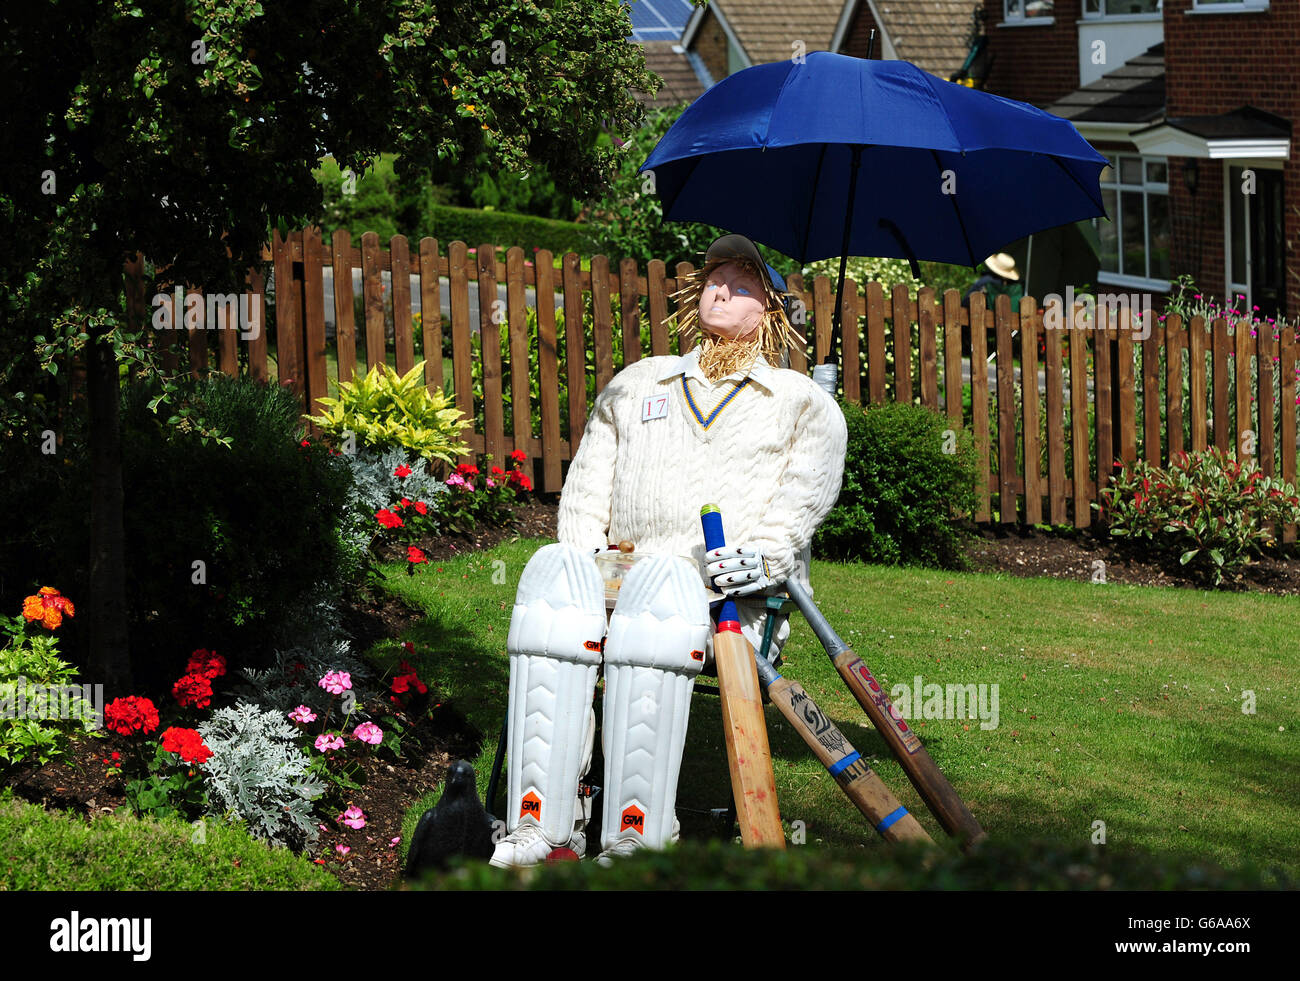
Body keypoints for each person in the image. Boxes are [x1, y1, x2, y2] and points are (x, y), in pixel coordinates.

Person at [489, 233, 847, 868]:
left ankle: (636, 837)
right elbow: (586, 491)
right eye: (712, 277)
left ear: (769, 308)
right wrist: (580, 570)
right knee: (551, 592)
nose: (718, 289)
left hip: (721, 599)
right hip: (612, 580)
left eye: (740, 284)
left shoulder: (802, 404)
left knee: (656, 612)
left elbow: (798, 512)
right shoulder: (640, 381)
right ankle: (537, 824)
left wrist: (760, 559)